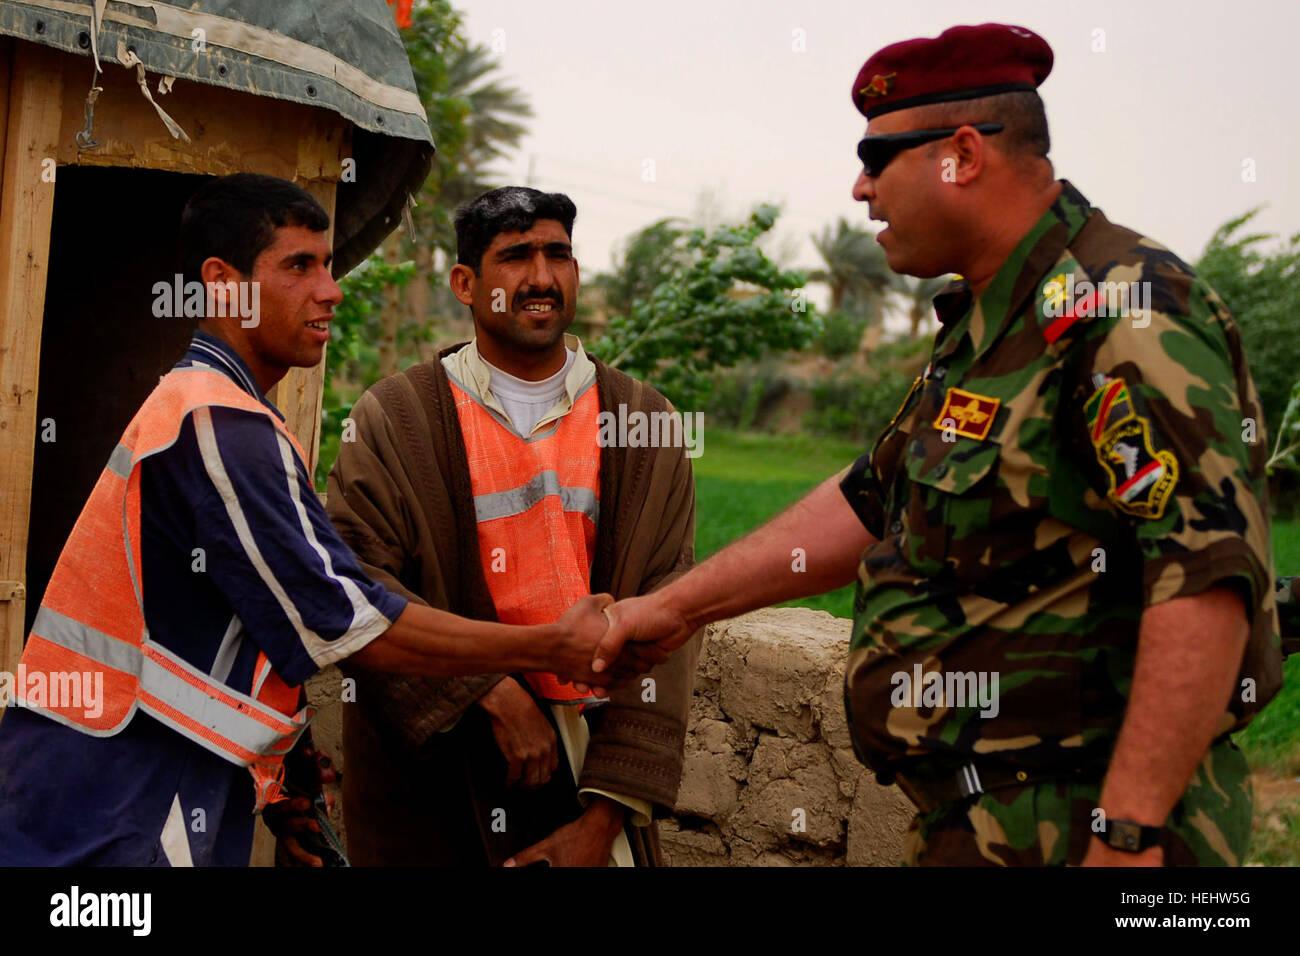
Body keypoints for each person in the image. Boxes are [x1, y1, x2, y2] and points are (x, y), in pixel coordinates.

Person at [592, 23, 1285, 866]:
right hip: (983, 823)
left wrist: (1129, 831)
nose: (859, 188)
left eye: (877, 157)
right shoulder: (986, 327)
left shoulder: (1123, 309)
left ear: (962, 153)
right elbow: (871, 500)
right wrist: (673, 609)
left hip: (1094, 823)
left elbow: (1207, 571)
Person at [0, 174, 624, 867]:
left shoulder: (223, 416)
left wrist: (287, 777)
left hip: (121, 787)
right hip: (121, 803)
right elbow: (357, 626)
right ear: (223, 283)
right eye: (299, 266)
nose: (330, 290)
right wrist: (548, 647)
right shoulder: (219, 429)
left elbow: (259, 619)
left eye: (328, 265)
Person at [325, 186, 701, 867]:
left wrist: (604, 822)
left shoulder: (644, 422)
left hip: (594, 773)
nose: (541, 278)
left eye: (559, 254)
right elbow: (355, 586)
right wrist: (490, 689)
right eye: (516, 257)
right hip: (441, 769)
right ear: (465, 283)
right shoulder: (396, 417)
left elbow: (669, 614)